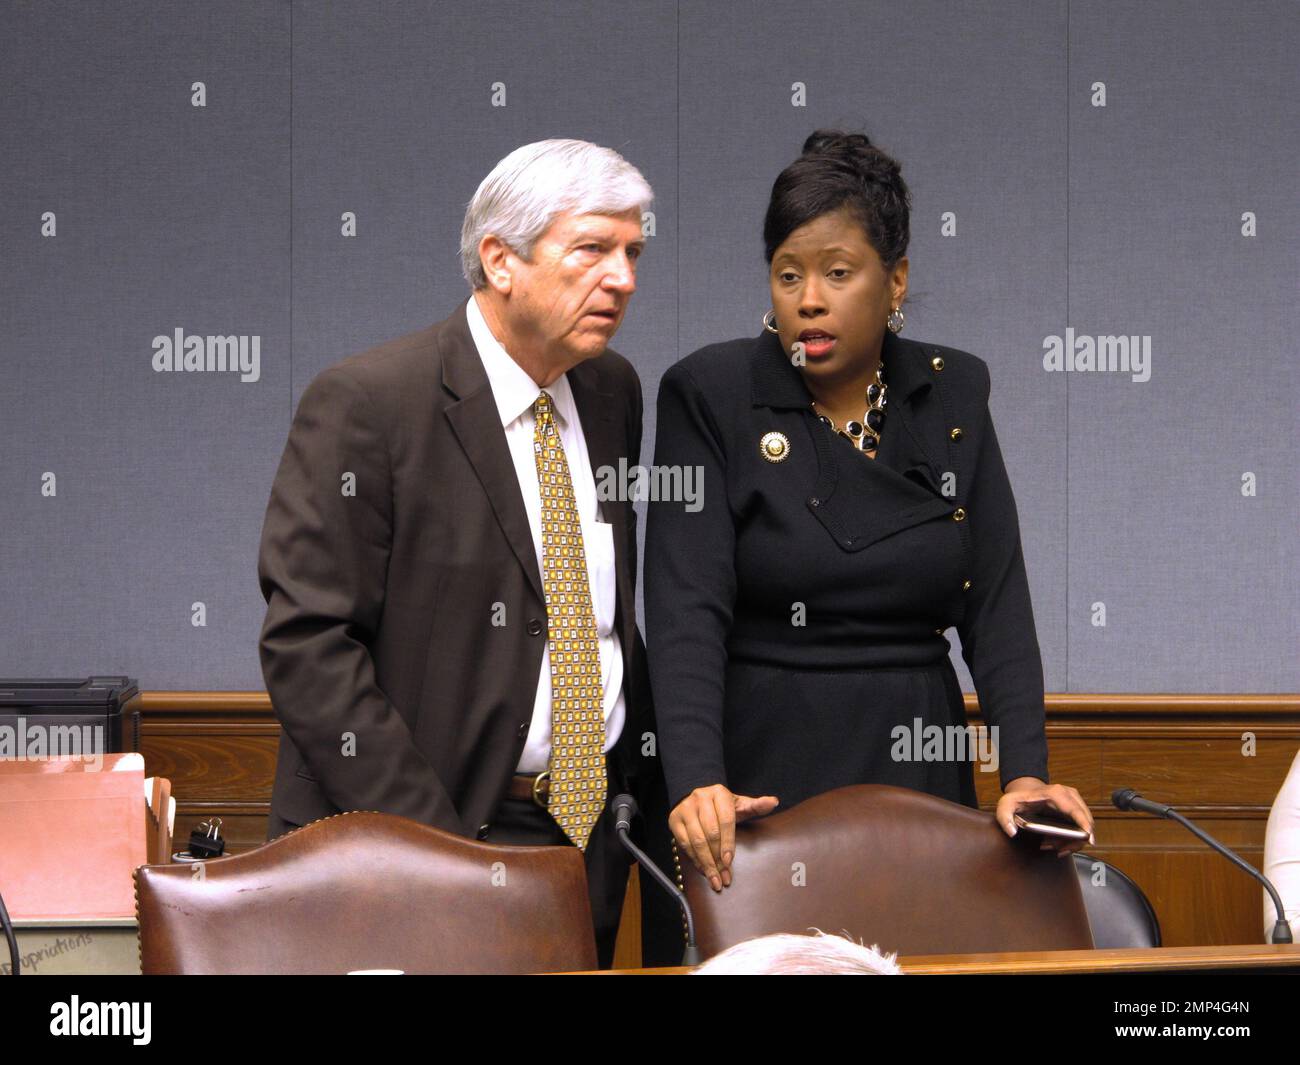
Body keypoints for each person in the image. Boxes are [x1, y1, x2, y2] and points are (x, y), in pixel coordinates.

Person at [644, 129, 1094, 894]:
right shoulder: (711, 394)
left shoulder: (953, 395)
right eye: (787, 275)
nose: (808, 298)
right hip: (755, 776)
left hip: (914, 758)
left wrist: (1024, 773)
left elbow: (997, 603)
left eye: (837, 272)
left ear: (896, 282)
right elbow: (685, 607)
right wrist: (695, 781)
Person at [256, 138, 668, 967]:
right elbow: (307, 644)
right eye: (592, 248)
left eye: (632, 252)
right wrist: (437, 848)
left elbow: (596, 614)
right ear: (499, 259)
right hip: (414, 838)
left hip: (587, 833)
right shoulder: (369, 404)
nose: (622, 277)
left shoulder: (612, 389)